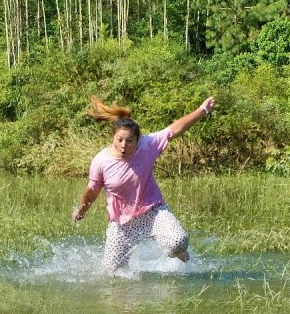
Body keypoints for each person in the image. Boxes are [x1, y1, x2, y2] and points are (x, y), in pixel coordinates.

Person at [72, 95, 216, 271]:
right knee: (113, 272)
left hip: (153, 211)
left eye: (129, 141)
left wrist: (203, 109)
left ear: (138, 140)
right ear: (113, 138)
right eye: (119, 140)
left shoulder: (148, 145)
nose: (124, 145)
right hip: (122, 222)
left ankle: (182, 258)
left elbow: (174, 129)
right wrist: (82, 209)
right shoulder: (101, 161)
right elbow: (92, 189)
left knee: (178, 242)